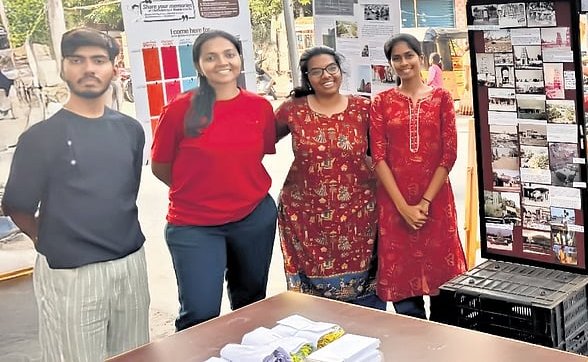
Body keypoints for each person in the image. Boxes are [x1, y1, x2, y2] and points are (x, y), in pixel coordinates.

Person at [1, 28, 150, 360]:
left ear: (114, 66)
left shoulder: (129, 130)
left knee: (135, 354)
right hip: (72, 273)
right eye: (77, 60)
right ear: (63, 68)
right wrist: (53, 239)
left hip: (130, 265)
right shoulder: (39, 138)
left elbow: (126, 193)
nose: (88, 69)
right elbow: (17, 206)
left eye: (98, 60)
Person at [151, 30, 278, 331]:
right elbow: (160, 166)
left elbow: (256, 155)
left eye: (229, 54)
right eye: (211, 57)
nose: (222, 62)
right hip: (194, 225)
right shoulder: (179, 109)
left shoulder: (259, 107)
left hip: (253, 218)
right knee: (200, 314)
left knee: (252, 304)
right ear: (198, 65)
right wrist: (199, 192)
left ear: (239, 58)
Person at [275, 46, 383, 309]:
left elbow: (383, 154)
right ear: (307, 77)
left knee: (366, 301)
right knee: (314, 310)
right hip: (307, 216)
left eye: (331, 68)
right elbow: (258, 143)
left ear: (340, 70)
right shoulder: (293, 110)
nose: (326, 75)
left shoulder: (363, 108)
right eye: (316, 71)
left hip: (360, 214)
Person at [370, 33, 465, 318]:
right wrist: (403, 208)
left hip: (435, 203)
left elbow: (449, 155)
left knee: (444, 288)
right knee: (404, 292)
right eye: (396, 58)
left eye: (409, 55)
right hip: (394, 206)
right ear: (390, 64)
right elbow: (378, 157)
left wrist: (423, 203)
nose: (404, 62)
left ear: (421, 58)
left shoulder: (442, 98)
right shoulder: (381, 102)